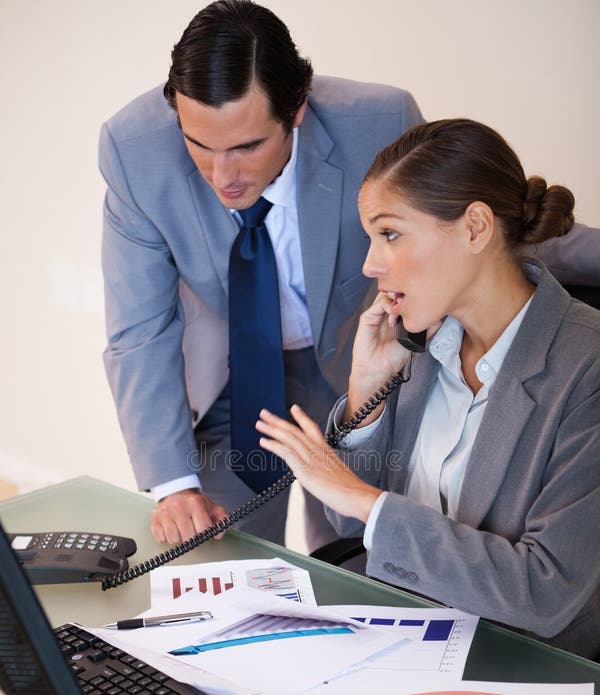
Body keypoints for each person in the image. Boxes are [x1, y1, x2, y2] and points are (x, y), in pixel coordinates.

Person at [100, 1, 600, 553]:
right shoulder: (132, 150)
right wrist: (175, 487)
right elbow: (139, 328)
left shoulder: (378, 121)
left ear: (296, 111)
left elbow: (470, 226)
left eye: (247, 147)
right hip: (230, 377)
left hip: (355, 358)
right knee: (215, 558)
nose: (224, 176)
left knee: (348, 553)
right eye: (200, 146)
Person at [256, 118, 600, 659]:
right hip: (402, 639)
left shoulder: (587, 367)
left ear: (475, 228)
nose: (370, 263)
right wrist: (366, 393)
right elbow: (352, 522)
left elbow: (544, 591)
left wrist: (365, 501)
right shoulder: (420, 344)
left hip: (521, 664)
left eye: (390, 234)